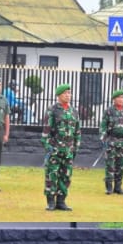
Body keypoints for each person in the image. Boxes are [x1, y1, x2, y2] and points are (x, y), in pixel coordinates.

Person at [42, 83, 80, 211]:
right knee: (52, 175)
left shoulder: (73, 111)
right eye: (65, 93)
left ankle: (61, 201)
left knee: (66, 176)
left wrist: (76, 148)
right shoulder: (52, 110)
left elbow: (77, 132)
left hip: (68, 149)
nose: (68, 95)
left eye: (69, 93)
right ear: (59, 95)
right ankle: (51, 202)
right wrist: (48, 147)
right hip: (55, 148)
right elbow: (46, 131)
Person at [99, 90, 123, 195]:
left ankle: (118, 187)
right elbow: (103, 126)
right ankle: (109, 188)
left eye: (122, 97)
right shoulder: (109, 111)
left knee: (121, 165)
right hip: (112, 141)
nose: (121, 99)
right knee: (110, 165)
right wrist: (104, 138)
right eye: (119, 97)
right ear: (114, 99)